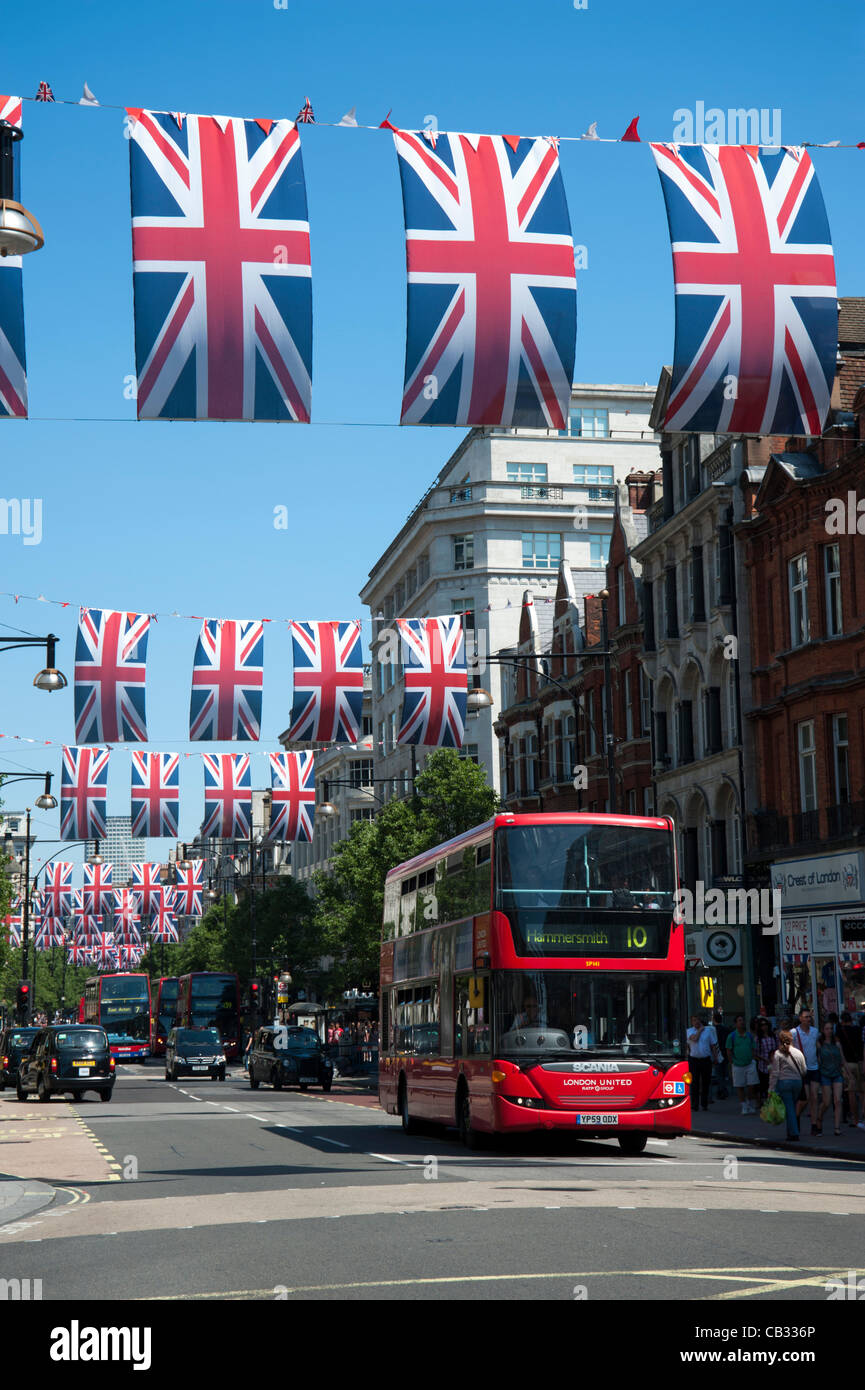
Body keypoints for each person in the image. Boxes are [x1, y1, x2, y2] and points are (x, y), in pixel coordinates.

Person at [768, 1030, 808, 1141]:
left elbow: (775, 1073)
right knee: (792, 1107)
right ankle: (790, 1132)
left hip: (784, 1083)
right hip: (797, 1083)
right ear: (791, 1039)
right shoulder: (799, 1053)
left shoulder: (778, 1054)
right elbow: (804, 1070)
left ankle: (794, 1133)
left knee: (789, 1108)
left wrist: (771, 1089)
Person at [793, 1008, 822, 1135]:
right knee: (805, 1098)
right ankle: (796, 1116)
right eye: (805, 1017)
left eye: (809, 1017)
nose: (808, 1019)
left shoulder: (815, 1032)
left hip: (814, 1068)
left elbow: (817, 1046)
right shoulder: (794, 1032)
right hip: (802, 1069)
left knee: (814, 1097)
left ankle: (814, 1125)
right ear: (800, 1018)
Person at [726, 1015, 759, 1114]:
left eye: (743, 1020)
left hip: (749, 1063)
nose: (742, 1022)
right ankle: (744, 1105)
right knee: (739, 1086)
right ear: (736, 1024)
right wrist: (732, 1062)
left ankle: (748, 1103)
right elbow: (728, 1050)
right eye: (739, 1020)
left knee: (751, 1085)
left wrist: (752, 1058)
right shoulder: (731, 1036)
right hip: (737, 1064)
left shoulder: (749, 1035)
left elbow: (753, 1048)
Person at [837, 1010, 864, 1129]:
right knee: (862, 1092)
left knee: (851, 1093)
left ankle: (855, 1119)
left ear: (842, 1021)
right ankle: (863, 1113)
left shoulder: (840, 1031)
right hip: (860, 1063)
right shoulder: (859, 1030)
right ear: (851, 1020)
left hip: (847, 1064)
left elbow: (840, 1050)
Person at [817, 1020, 844, 1137]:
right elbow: (818, 1060)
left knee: (837, 1100)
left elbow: (842, 1058)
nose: (829, 1031)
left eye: (831, 1029)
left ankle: (837, 1127)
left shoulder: (837, 1043)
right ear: (823, 1030)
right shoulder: (820, 1043)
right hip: (825, 1074)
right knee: (826, 1102)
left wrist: (848, 1073)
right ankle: (819, 1117)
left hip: (837, 1073)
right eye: (827, 1029)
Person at [686, 1013, 718, 1111]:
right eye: (694, 1020)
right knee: (694, 1082)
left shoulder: (708, 1031)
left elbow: (713, 1045)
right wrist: (700, 1030)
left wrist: (715, 1057)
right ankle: (694, 1105)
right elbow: (694, 1039)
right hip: (694, 1059)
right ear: (692, 1022)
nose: (696, 1022)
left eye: (698, 1020)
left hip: (705, 1059)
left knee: (706, 1082)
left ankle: (704, 1104)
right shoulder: (689, 1031)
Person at [753, 1016, 777, 1103]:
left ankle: (772, 1101)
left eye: (765, 1024)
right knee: (764, 1085)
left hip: (774, 1065)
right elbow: (755, 1053)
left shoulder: (773, 1036)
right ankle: (764, 1102)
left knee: (773, 1085)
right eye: (762, 1025)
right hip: (763, 1066)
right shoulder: (757, 1039)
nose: (764, 1027)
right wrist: (764, 1059)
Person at [712, 1010, 730, 1099]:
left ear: (714, 1019)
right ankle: (722, 1089)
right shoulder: (726, 1030)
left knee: (719, 1074)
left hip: (717, 1053)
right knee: (723, 1073)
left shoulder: (713, 1030)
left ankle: (722, 1090)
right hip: (725, 1053)